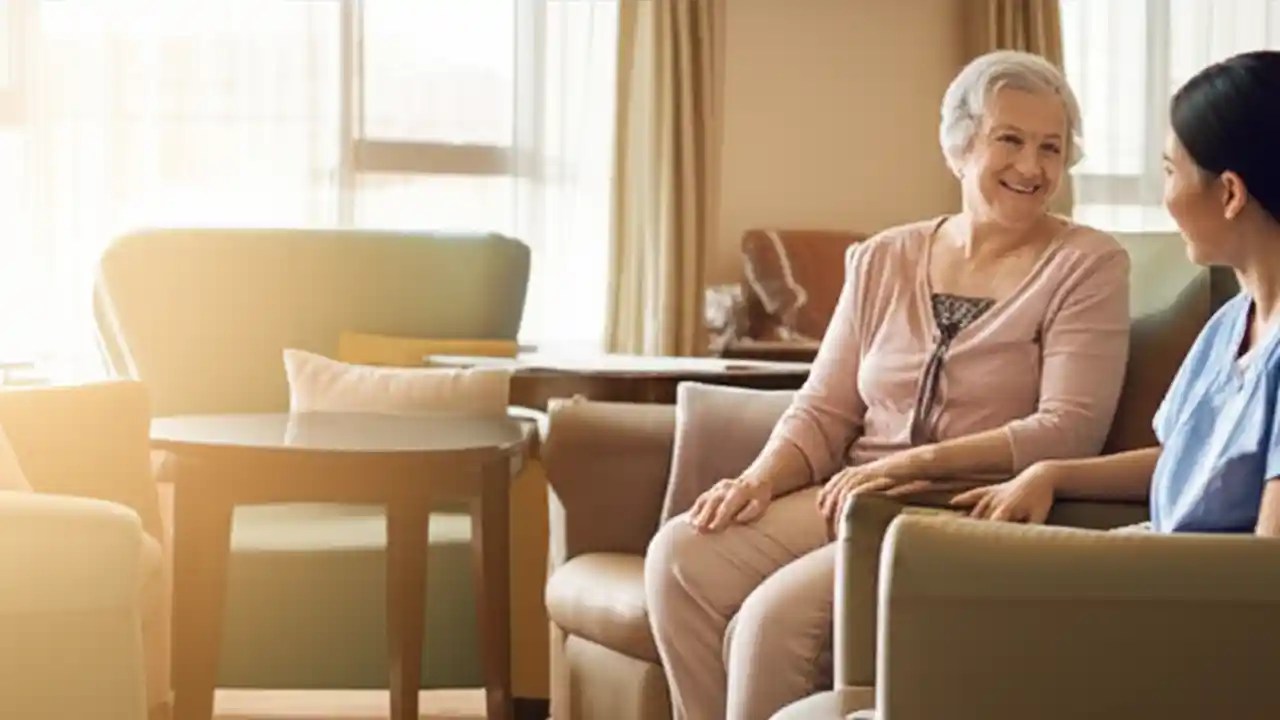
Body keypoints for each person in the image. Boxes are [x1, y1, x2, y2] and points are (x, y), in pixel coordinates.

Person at [643, 50, 1132, 720]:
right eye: (1009, 140)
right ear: (959, 147)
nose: (1032, 166)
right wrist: (757, 480)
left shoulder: (1087, 264)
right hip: (852, 496)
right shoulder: (882, 258)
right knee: (680, 554)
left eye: (1051, 147)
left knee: (771, 623)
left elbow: (1070, 428)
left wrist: (917, 463)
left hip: (959, 513)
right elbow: (825, 406)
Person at [953, 50, 1280, 537]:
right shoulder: (1231, 323)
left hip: (1201, 601)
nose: (1163, 197)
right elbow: (1187, 463)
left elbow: (1263, 580)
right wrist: (1053, 474)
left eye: (1170, 172)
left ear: (1230, 193)